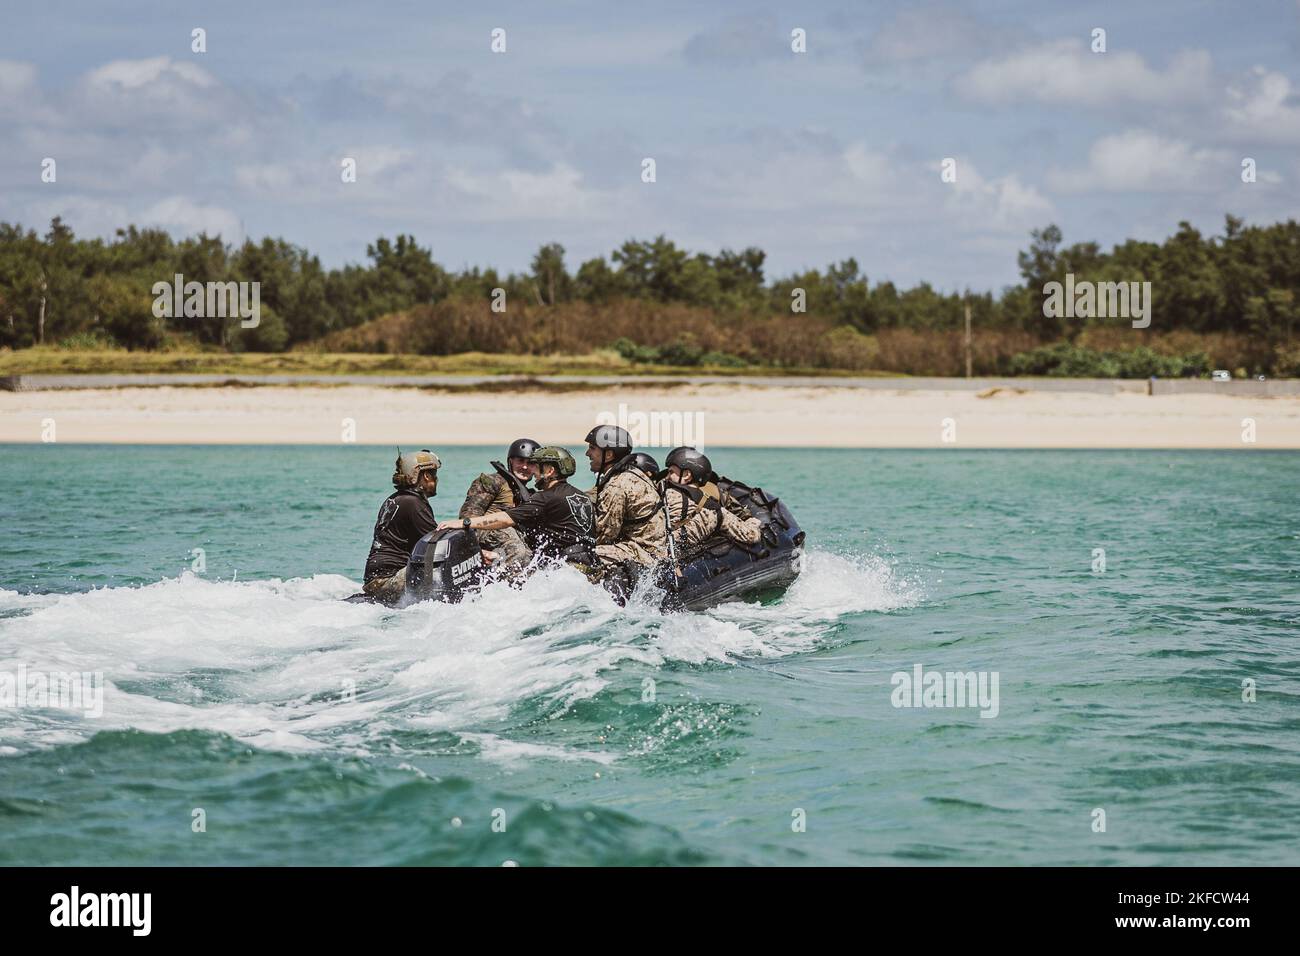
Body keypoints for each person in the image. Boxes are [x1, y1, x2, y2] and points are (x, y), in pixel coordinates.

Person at [439, 446, 594, 565]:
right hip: (589, 561)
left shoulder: (546, 497)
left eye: (535, 465)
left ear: (550, 471)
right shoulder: (582, 497)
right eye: (522, 461)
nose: (531, 469)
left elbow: (506, 519)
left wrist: (463, 523)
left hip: (567, 565)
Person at [363, 449, 441, 603]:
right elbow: (437, 543)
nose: (436, 480)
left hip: (374, 579)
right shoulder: (414, 503)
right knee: (444, 571)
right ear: (426, 476)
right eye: (434, 475)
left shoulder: (394, 500)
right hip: (389, 579)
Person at [584, 424, 665, 570]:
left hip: (643, 552)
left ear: (609, 455)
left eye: (592, 448)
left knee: (582, 556)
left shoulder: (617, 486)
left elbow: (604, 535)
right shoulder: (632, 472)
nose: (587, 453)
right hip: (649, 547)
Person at [659, 446, 760, 561]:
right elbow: (752, 535)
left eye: (671, 472)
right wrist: (753, 521)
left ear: (687, 475)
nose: (666, 477)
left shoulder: (659, 494)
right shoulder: (712, 511)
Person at [459, 438, 539, 570]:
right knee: (518, 551)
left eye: (530, 463)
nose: (525, 467)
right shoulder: (493, 481)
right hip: (487, 529)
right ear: (511, 461)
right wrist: (475, 550)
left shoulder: (531, 494)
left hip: (513, 535)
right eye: (520, 461)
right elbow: (469, 516)